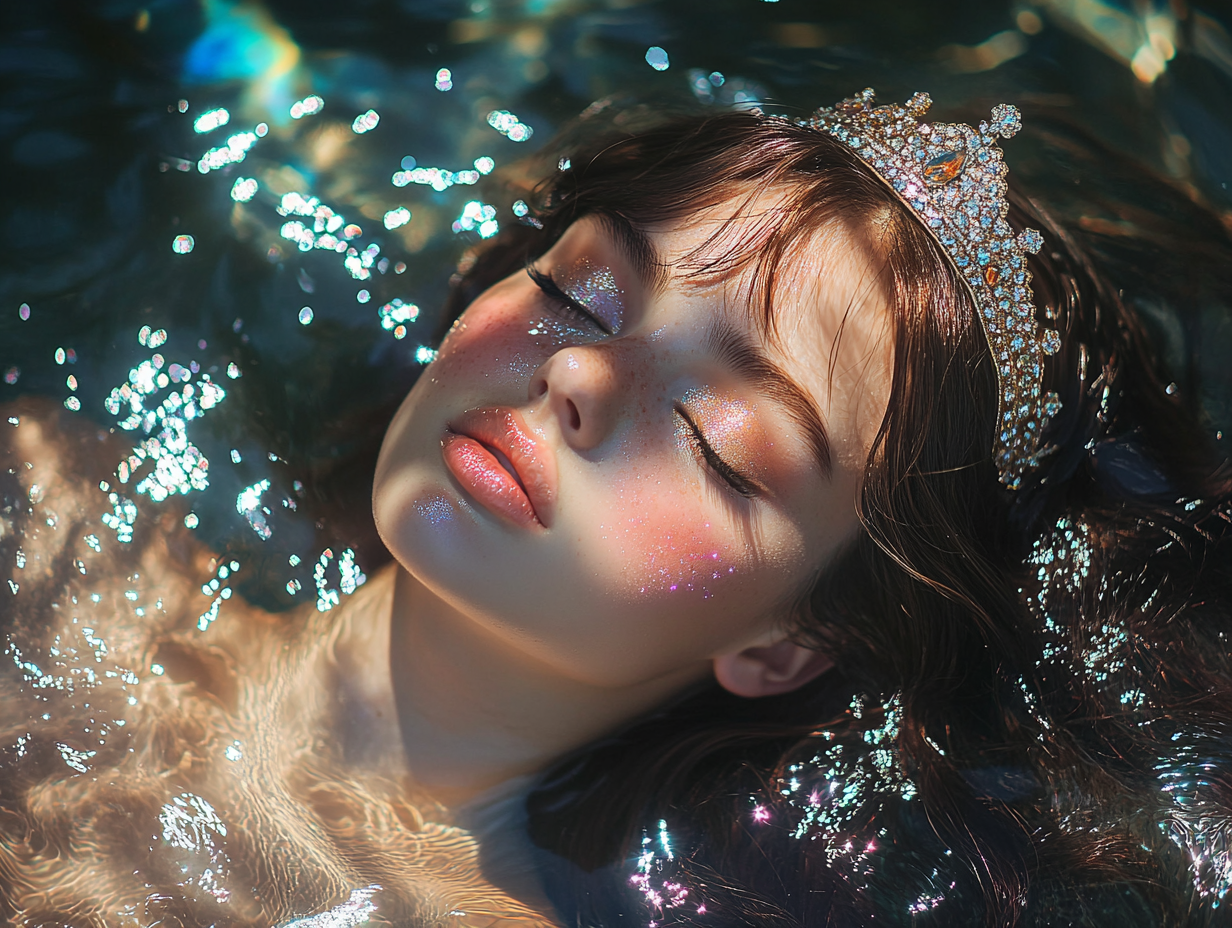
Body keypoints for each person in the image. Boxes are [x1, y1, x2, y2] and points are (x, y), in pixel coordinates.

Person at [1, 89, 1230, 928]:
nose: (580, 375)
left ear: (783, 643)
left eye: (712, 440)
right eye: (580, 294)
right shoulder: (38, 507)